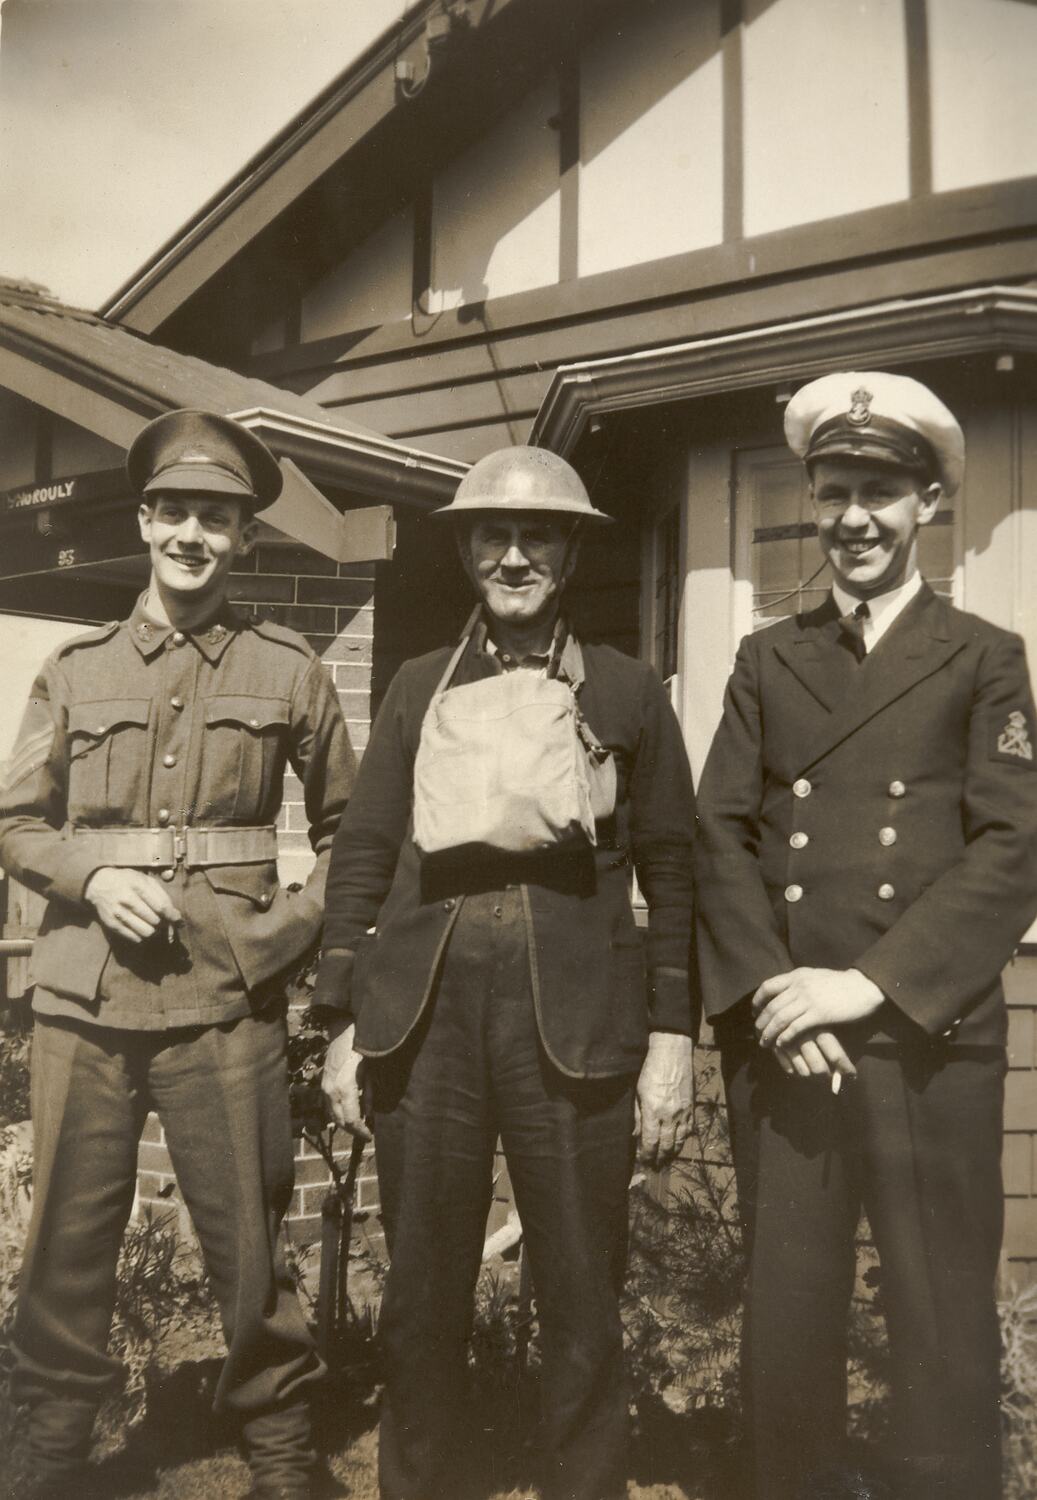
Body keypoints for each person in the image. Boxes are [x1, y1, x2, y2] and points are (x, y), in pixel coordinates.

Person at [314, 444, 697, 1500]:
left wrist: (671, 1036)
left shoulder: (623, 691)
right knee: (422, 1291)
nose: (514, 554)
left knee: (580, 1288)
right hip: (423, 1025)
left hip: (573, 1028)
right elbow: (364, 852)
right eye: (493, 534)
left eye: (537, 535)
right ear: (468, 549)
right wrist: (343, 1016)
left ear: (570, 552)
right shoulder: (412, 689)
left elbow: (671, 866)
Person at [694, 370, 1037, 1500]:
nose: (852, 518)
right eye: (833, 491)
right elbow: (718, 838)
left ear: (927, 505)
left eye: (879, 493)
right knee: (787, 1317)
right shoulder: (763, 658)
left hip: (922, 1038)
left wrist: (864, 988)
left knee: (937, 1317)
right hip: (789, 1039)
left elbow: (1010, 850)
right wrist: (770, 997)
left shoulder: (984, 656)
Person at [0, 410, 355, 1499]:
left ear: (244, 538)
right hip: (83, 1001)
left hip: (222, 1002)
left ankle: (283, 1456)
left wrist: (277, 938)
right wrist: (92, 879)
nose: (194, 534)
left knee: (249, 1247)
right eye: (178, 512)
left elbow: (356, 834)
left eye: (219, 517)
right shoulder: (75, 670)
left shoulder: (289, 669)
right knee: (64, 1246)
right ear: (146, 520)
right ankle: (50, 1447)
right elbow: (17, 820)